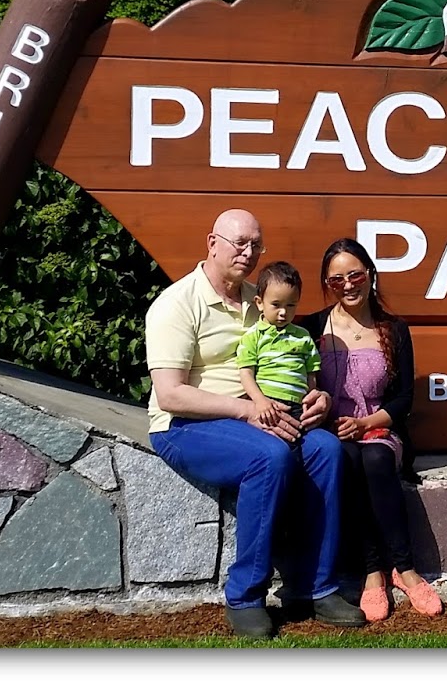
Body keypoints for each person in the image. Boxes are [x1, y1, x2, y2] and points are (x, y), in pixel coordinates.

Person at [142, 209, 366, 639]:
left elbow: (291, 364)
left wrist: (316, 395)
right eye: (239, 242)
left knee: (327, 450)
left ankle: (315, 586)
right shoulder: (177, 304)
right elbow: (170, 394)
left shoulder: (260, 298)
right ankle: (245, 596)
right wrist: (246, 410)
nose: (248, 252)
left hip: (260, 414)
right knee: (269, 457)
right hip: (186, 425)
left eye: (256, 245)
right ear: (212, 243)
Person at [298, 237, 443, 622]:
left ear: (370, 275)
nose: (347, 285)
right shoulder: (311, 327)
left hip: (378, 429)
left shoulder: (393, 330)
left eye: (355, 274)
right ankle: (372, 571)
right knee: (345, 460)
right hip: (331, 433)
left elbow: (403, 401)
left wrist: (364, 423)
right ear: (326, 285)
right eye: (336, 280)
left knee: (375, 458)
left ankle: (406, 569)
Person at [236, 260, 321, 444]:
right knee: (282, 446)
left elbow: (311, 373)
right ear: (259, 303)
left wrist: (310, 396)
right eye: (276, 304)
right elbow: (246, 374)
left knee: (302, 445)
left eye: (291, 305)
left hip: (299, 406)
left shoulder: (303, 337)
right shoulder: (253, 336)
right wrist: (260, 401)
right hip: (269, 404)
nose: (283, 312)